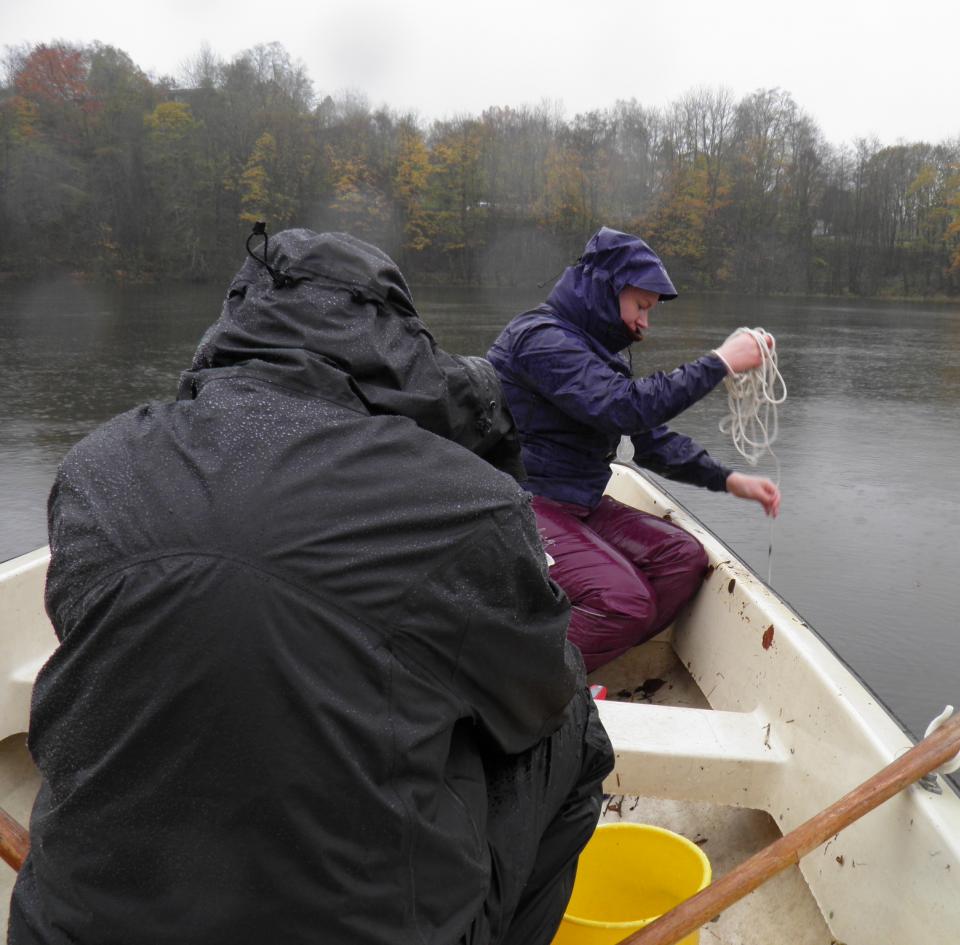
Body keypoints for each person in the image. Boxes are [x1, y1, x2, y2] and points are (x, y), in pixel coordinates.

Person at [10, 229, 614, 945]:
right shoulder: (461, 501)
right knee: (572, 721)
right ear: (401, 346)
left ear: (231, 326)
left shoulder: (94, 468)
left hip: (65, 930)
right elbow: (534, 698)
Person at [487, 227, 781, 671]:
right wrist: (719, 362)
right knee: (623, 601)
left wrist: (728, 479)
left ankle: (578, 663)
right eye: (641, 305)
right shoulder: (540, 338)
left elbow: (649, 438)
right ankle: (522, 691)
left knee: (682, 560)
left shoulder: (597, 353)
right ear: (605, 289)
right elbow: (623, 408)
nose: (645, 321)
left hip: (577, 502)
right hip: (522, 502)